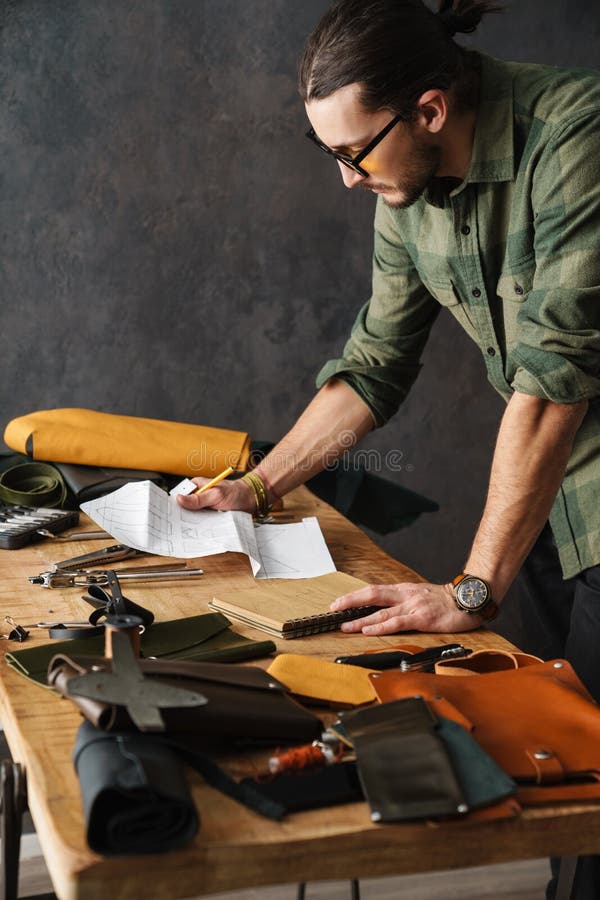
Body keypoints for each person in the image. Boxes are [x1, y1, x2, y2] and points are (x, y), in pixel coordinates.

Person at [180, 4, 599, 891]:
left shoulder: (576, 136)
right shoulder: (404, 190)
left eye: (353, 152)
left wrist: (472, 588)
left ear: (433, 111)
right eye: (327, 150)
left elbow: (554, 386)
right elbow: (373, 364)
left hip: (583, 495)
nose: (345, 179)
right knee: (570, 783)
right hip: (546, 520)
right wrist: (255, 489)